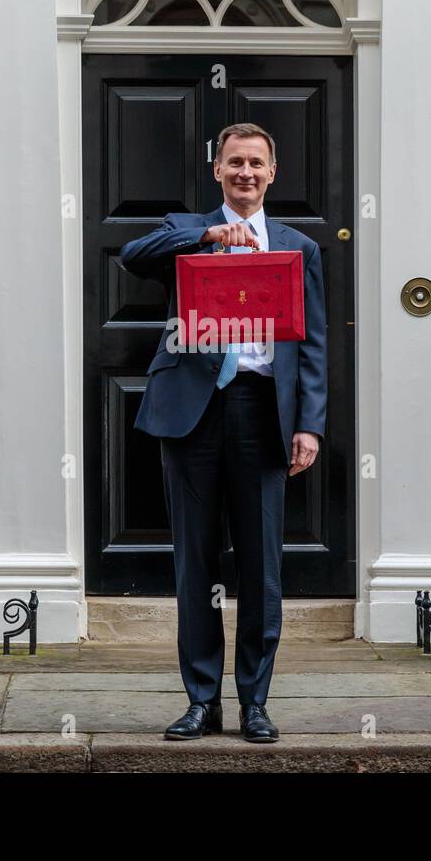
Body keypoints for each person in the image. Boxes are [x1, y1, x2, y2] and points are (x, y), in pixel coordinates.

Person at [118, 122, 327, 743]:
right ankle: (200, 701)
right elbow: (131, 256)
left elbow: (312, 343)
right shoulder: (184, 232)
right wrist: (207, 234)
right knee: (196, 564)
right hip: (193, 412)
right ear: (218, 171)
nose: (245, 173)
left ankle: (254, 703)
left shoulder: (298, 246)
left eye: (256, 163)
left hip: (264, 411)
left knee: (262, 566)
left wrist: (309, 425)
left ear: (272, 172)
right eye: (235, 162)